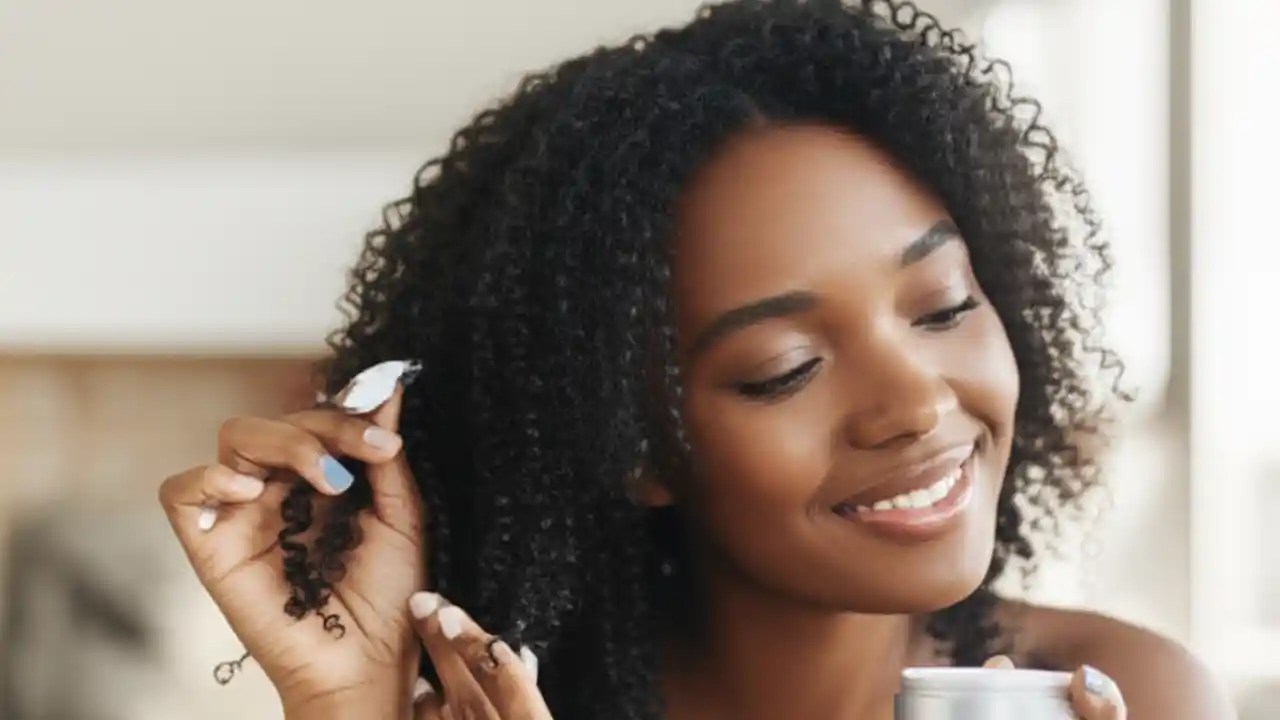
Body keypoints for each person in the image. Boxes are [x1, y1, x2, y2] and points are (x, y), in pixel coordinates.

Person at [158, 0, 1235, 718]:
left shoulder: (1130, 694)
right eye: (782, 369)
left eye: (943, 305)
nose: (913, 401)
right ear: (633, 445)